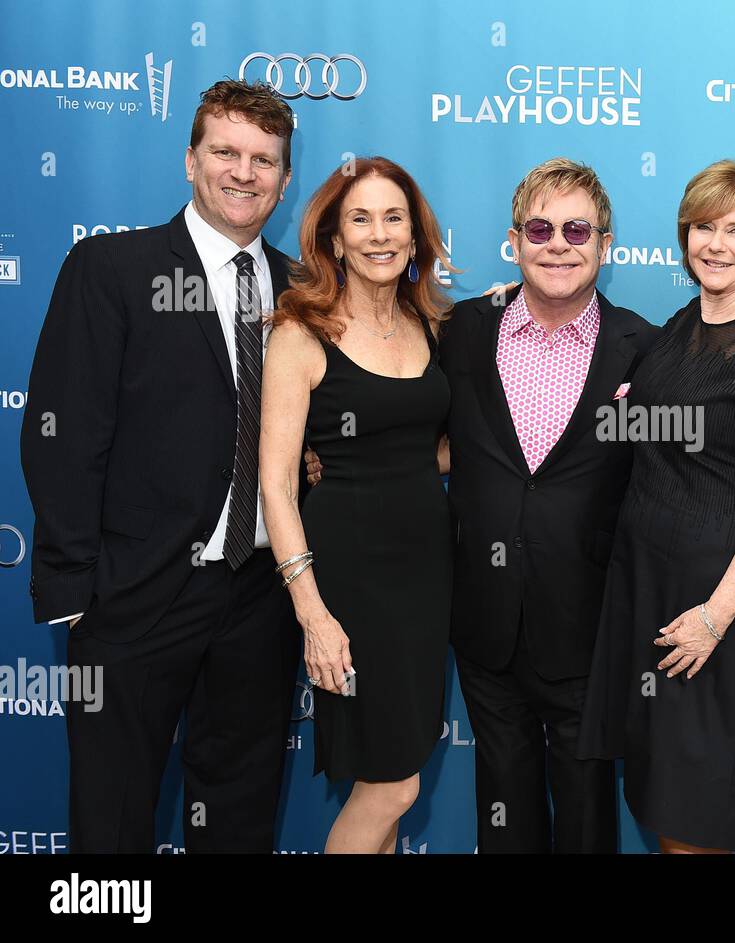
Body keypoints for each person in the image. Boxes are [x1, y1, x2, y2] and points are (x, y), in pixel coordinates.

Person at [311, 158, 658, 852]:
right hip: (483, 617)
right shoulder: (463, 329)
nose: (557, 243)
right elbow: (397, 414)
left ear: (606, 244)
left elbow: (682, 456)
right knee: (502, 811)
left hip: (588, 623)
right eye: (539, 228)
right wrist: (328, 457)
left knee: (588, 817)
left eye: (576, 229)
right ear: (513, 240)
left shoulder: (643, 349)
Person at [20, 79, 300, 852]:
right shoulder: (111, 268)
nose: (244, 173)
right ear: (190, 160)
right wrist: (75, 592)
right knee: (110, 823)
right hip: (131, 596)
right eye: (226, 152)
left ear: (284, 176)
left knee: (240, 819)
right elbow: (62, 435)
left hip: (260, 598)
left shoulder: (307, 291)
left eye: (264, 160)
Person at [578, 159, 735, 854]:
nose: (714, 243)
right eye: (703, 226)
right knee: (659, 796)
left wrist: (715, 617)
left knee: (694, 805)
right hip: (643, 581)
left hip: (707, 597)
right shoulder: (682, 323)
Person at [260, 157, 455, 854]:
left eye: (394, 218)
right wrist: (312, 613)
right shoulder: (299, 332)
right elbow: (277, 485)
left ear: (415, 237)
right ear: (335, 241)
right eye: (361, 219)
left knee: (398, 771)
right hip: (349, 580)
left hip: (427, 578)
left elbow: (427, 450)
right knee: (391, 785)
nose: (380, 233)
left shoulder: (433, 326)